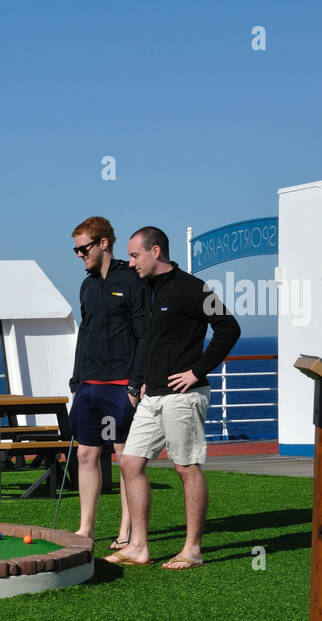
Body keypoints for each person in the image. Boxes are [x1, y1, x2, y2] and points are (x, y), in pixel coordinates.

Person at [107, 226, 240, 570]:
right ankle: (138, 546)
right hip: (152, 396)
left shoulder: (194, 288)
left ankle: (192, 550)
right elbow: (149, 342)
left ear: (155, 252)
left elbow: (229, 327)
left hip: (185, 395)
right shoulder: (145, 289)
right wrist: (139, 383)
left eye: (135, 255)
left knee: (186, 468)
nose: (131, 262)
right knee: (129, 463)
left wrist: (197, 371)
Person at [68, 216, 146, 548]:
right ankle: (86, 528)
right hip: (89, 384)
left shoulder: (131, 281)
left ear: (103, 243)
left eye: (83, 248)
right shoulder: (87, 286)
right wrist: (76, 379)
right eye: (75, 250)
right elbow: (84, 333)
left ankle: (127, 529)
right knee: (86, 454)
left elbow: (145, 335)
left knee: (123, 456)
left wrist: (135, 384)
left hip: (120, 384)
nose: (79, 255)